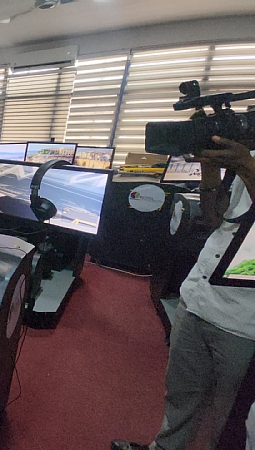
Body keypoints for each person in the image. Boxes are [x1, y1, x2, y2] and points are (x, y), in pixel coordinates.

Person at [112, 135, 255, 450]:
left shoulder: (247, 162)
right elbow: (214, 218)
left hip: (244, 320)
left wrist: (247, 165)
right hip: (198, 297)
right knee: (181, 391)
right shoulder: (244, 159)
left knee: (231, 413)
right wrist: (210, 169)